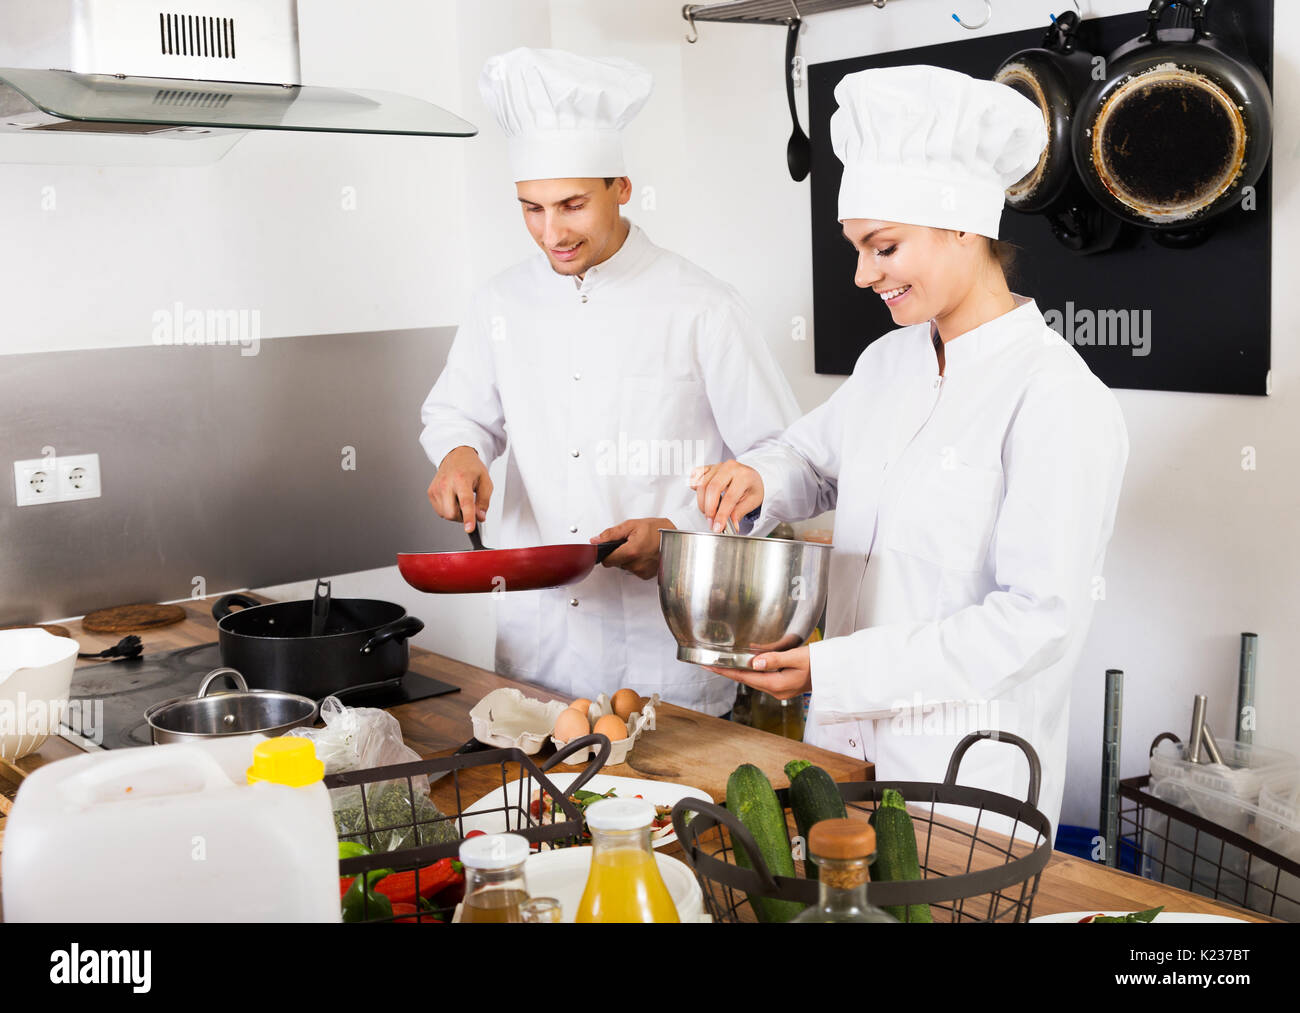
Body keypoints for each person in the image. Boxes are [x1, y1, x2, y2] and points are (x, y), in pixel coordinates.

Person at [692, 65, 1129, 838]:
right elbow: (815, 459)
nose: (862, 275)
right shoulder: (889, 362)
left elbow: (1035, 621)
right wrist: (760, 476)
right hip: (844, 762)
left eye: (883, 246)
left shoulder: (1056, 398)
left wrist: (838, 670)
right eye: (856, 248)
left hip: (962, 784)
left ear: (964, 224)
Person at [420, 48, 800, 717]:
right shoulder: (499, 304)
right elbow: (460, 415)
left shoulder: (703, 306)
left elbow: (781, 463)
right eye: (531, 209)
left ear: (622, 187)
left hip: (662, 650)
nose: (552, 232)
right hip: (539, 646)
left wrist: (680, 541)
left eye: (571, 204)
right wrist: (460, 453)